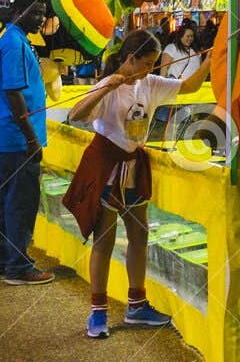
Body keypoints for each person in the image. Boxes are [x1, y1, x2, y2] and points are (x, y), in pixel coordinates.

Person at [64, 28, 211, 336]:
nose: (151, 69)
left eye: (154, 63)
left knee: (139, 235)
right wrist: (104, 89)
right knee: (103, 239)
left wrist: (212, 58)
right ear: (130, 59)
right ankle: (98, 312)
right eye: (146, 62)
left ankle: (136, 305)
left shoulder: (150, 82)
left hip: (133, 164)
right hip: (107, 165)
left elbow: (189, 86)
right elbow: (77, 114)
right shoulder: (109, 85)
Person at [0, 0, 55, 285]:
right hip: (16, 141)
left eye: (43, 13)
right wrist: (31, 139)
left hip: (3, 139)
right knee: (20, 204)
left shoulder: (16, 39)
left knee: (3, 202)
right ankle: (19, 267)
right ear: (17, 11)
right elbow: (14, 93)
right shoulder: (14, 44)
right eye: (35, 12)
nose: (40, 18)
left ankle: (0, 263)